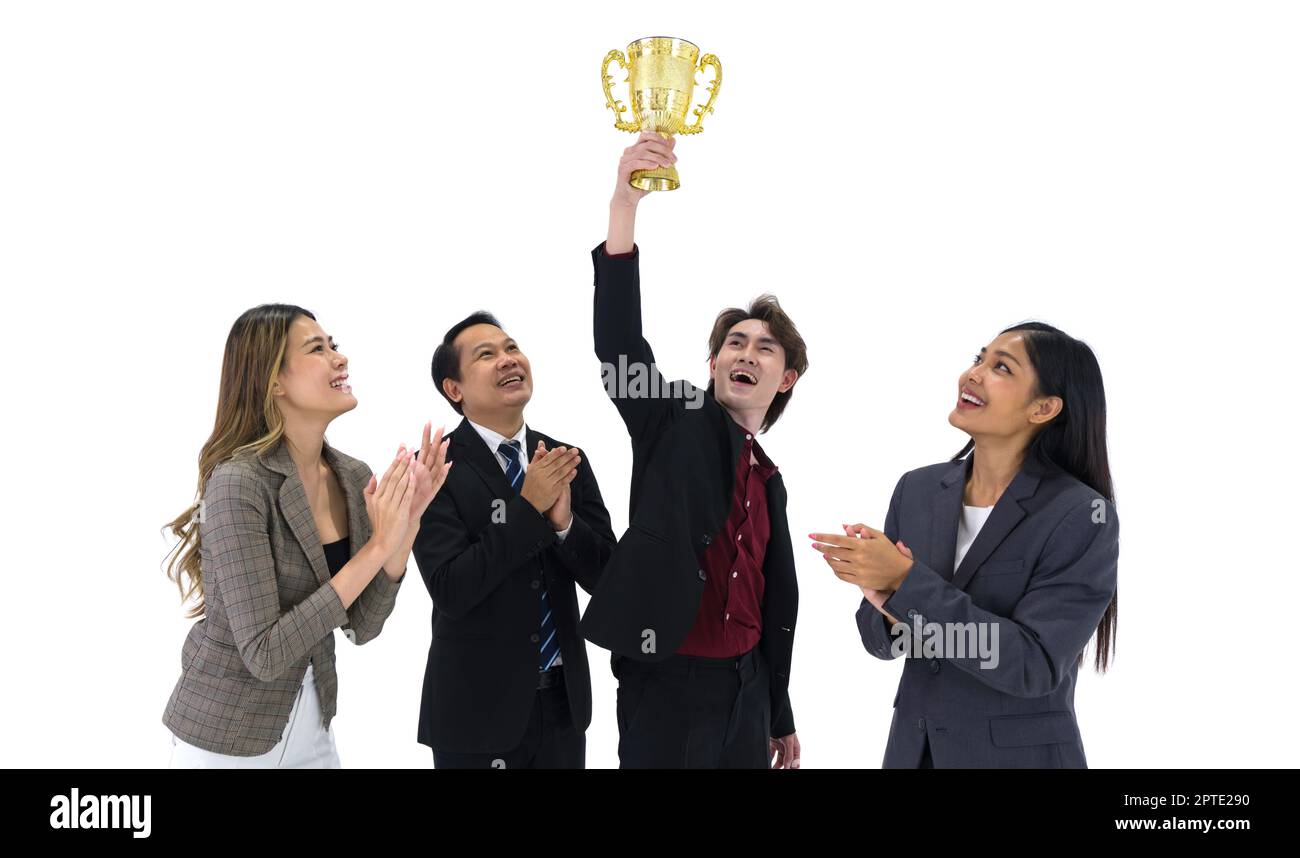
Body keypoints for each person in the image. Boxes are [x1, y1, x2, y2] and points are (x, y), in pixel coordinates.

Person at [582, 132, 809, 769]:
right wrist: (623, 208)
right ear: (712, 365)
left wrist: (779, 713)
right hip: (668, 683)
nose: (746, 353)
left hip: (749, 692)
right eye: (734, 343)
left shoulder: (770, 479)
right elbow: (619, 345)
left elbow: (776, 599)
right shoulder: (671, 418)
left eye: (765, 348)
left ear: (785, 378)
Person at [812, 322, 1119, 768]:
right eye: (979, 358)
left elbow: (1033, 663)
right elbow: (880, 644)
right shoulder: (916, 490)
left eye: (1001, 367)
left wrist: (904, 582)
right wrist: (885, 601)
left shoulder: (1080, 514)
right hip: (914, 753)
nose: (973, 373)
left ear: (1044, 407)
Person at [162, 303, 449, 767]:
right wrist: (378, 546)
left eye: (334, 345)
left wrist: (407, 525)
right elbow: (265, 653)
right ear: (273, 380)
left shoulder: (354, 477)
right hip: (224, 738)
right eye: (318, 349)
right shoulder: (240, 482)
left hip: (312, 727)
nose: (340, 358)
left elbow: (363, 626)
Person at [413, 312, 616, 768]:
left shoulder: (565, 458)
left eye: (511, 348)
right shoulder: (433, 469)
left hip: (563, 709)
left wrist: (563, 523)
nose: (509, 360)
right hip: (474, 717)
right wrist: (528, 509)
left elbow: (610, 579)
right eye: (487, 355)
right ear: (454, 389)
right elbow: (452, 589)